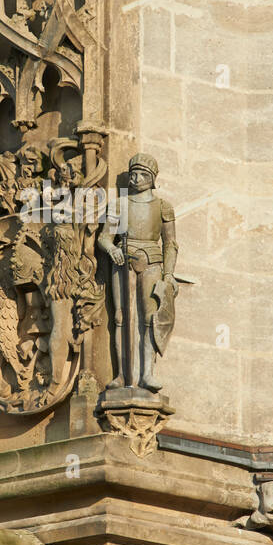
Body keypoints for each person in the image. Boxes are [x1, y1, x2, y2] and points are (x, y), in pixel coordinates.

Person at [98, 153, 178, 391]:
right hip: (123, 262)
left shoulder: (163, 206)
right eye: (133, 173)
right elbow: (104, 237)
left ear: (152, 178)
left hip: (152, 262)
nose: (135, 178)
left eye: (142, 174)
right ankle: (123, 375)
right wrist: (112, 248)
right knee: (121, 317)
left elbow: (170, 243)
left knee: (149, 318)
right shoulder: (120, 204)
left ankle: (147, 374)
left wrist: (170, 274)